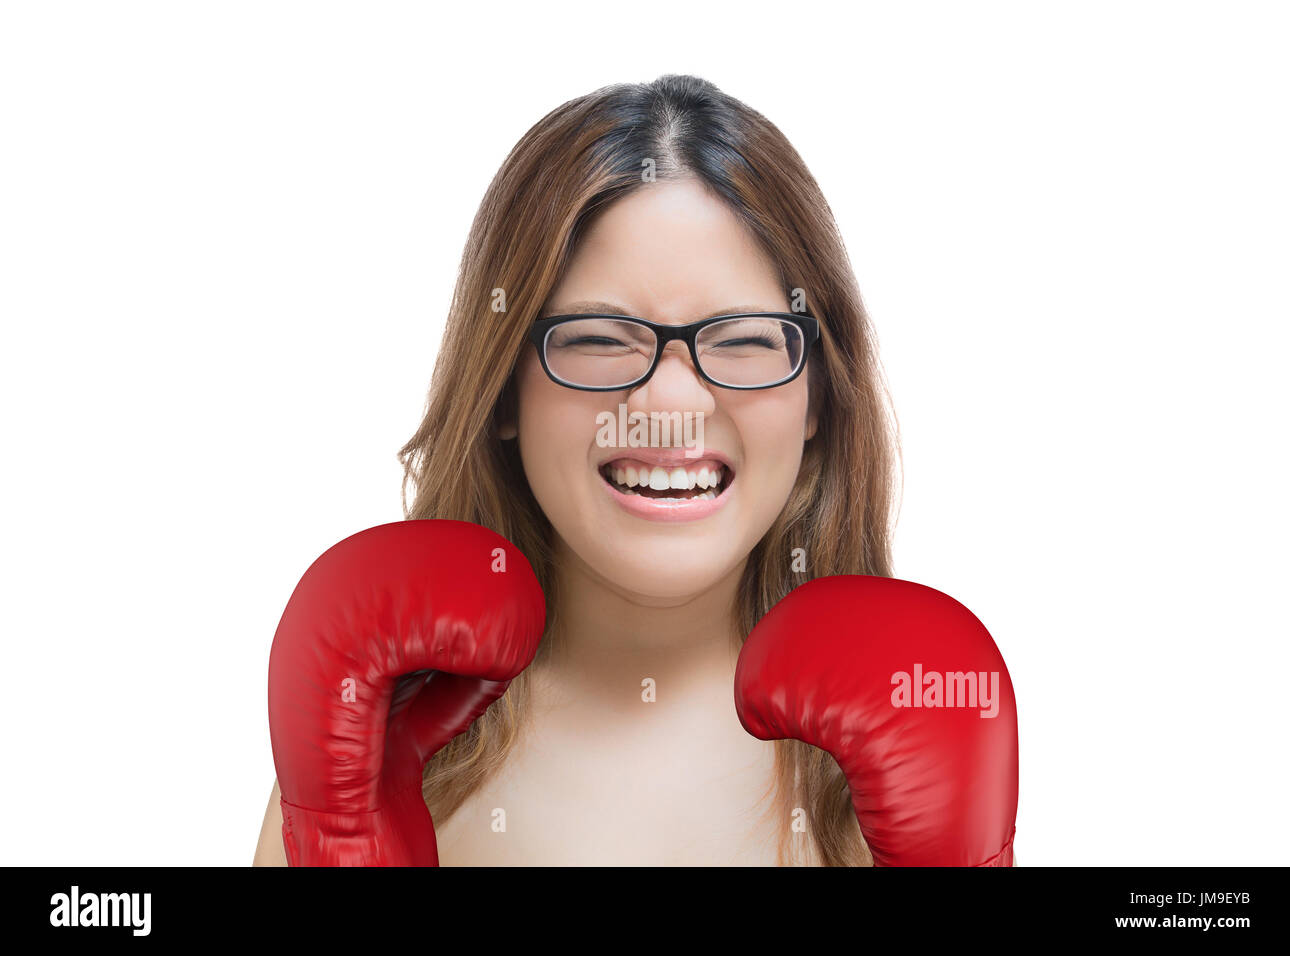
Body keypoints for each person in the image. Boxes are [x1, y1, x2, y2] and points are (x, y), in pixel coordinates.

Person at [257, 74, 914, 866]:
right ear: (504, 389)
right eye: (600, 339)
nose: (671, 397)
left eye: (743, 339)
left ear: (817, 396)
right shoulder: (380, 751)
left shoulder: (904, 750)